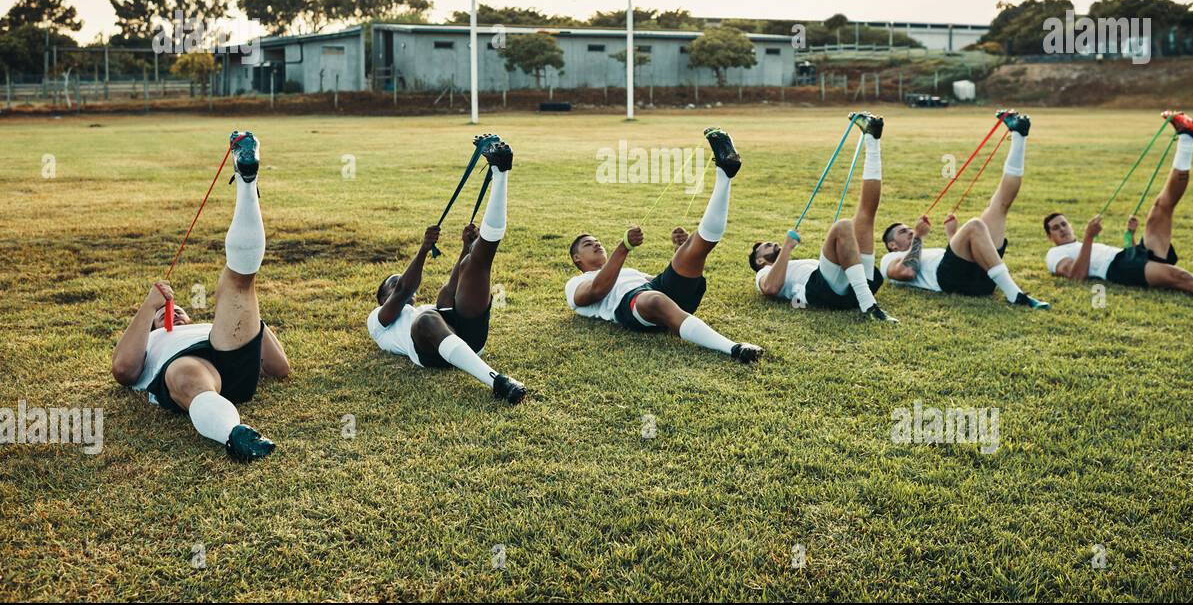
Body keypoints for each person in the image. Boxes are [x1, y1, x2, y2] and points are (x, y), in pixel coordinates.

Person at [111, 131, 288, 461]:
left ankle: (246, 180)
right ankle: (233, 434)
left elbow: (279, 368)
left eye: (178, 310)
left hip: (228, 351)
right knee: (187, 374)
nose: (173, 312)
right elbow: (123, 370)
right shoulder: (153, 345)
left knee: (237, 280)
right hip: (192, 369)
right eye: (164, 313)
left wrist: (244, 308)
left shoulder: (205, 327)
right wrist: (149, 306)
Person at [566, 127, 763, 362]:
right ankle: (734, 348)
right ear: (577, 258)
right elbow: (597, 290)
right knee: (655, 299)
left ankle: (724, 172)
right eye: (589, 244)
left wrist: (679, 252)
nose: (597, 244)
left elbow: (657, 280)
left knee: (693, 249)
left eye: (597, 241)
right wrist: (623, 248)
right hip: (631, 305)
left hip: (657, 292)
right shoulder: (575, 283)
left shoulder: (628, 272)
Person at [1043, 111, 1193, 304]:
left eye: (1064, 223)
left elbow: (1123, 253)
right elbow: (1076, 277)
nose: (1062, 229)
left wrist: (1130, 236)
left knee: (1161, 208)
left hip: (1129, 256)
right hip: (1118, 269)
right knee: (1177, 276)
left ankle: (1186, 137)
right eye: (1055, 228)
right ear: (1049, 236)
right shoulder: (1054, 255)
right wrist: (1089, 237)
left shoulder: (1081, 244)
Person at [369, 134, 526, 403]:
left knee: (474, 261)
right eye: (391, 283)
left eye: (396, 281)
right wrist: (422, 249)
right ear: (382, 298)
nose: (399, 283)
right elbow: (405, 289)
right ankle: (496, 381)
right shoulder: (376, 321)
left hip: (466, 340)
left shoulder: (425, 307)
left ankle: (500, 173)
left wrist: (466, 247)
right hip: (429, 354)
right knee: (427, 318)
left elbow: (450, 289)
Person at [880, 110, 1050, 309]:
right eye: (903, 231)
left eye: (910, 229)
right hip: (951, 281)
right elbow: (908, 272)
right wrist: (918, 237)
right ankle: (1016, 295)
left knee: (999, 206)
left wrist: (952, 234)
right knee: (975, 225)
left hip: (981, 281)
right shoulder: (888, 259)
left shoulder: (927, 252)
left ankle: (1019, 135)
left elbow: (960, 258)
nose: (909, 230)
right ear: (892, 245)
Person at [749, 112, 895, 321]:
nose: (771, 243)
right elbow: (771, 288)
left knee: (865, 216)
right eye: (765, 246)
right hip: (822, 291)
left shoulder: (796, 263)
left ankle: (873, 138)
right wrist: (787, 247)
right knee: (843, 226)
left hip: (847, 286)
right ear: (760, 260)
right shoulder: (762, 274)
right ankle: (868, 304)